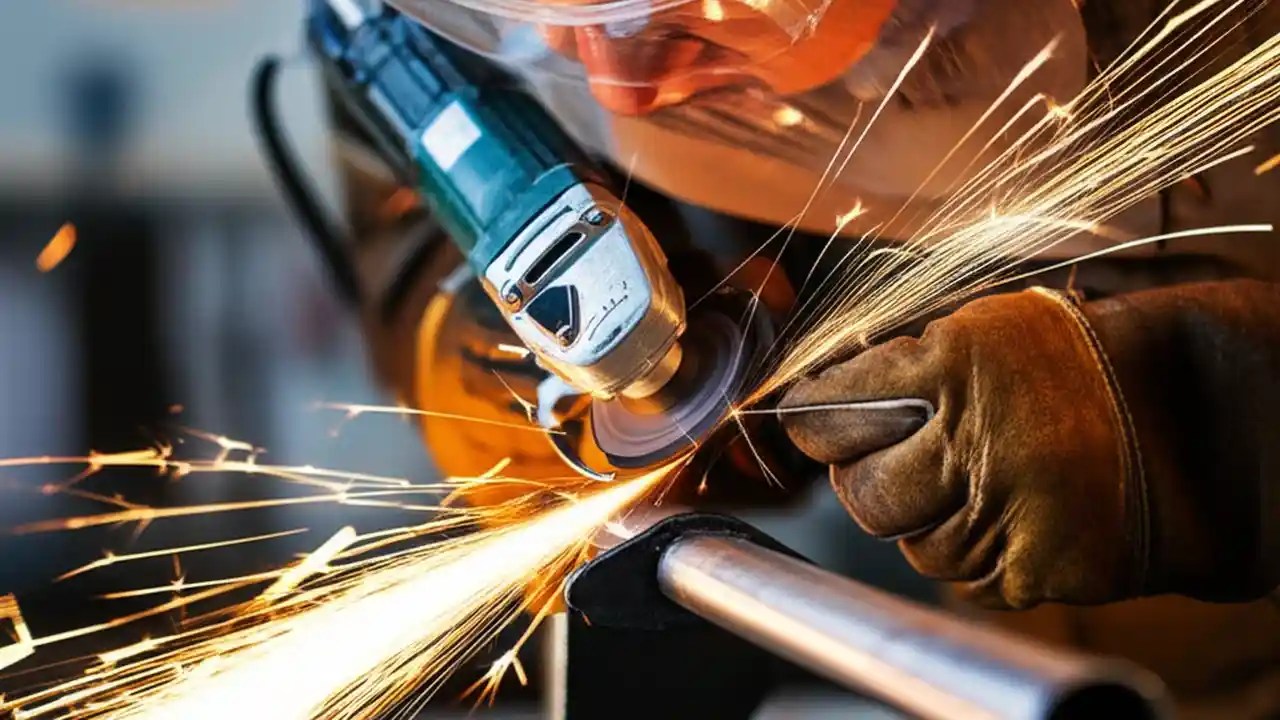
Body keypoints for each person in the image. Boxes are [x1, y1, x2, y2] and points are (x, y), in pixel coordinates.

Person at [329, 0, 1279, 715]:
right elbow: (399, 144)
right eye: (553, 16)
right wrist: (479, 338)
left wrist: (1179, 414)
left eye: (677, 3)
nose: (617, 85)